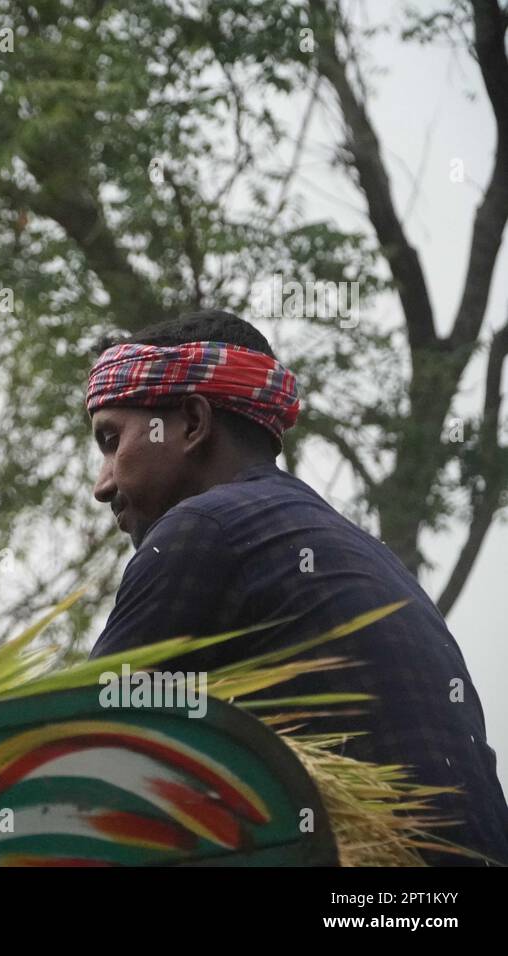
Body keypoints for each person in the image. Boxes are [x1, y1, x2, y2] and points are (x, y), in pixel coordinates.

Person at [85, 308, 508, 865]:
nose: (103, 483)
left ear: (191, 423)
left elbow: (69, 757)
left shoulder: (206, 528)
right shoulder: (356, 550)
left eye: (113, 441)